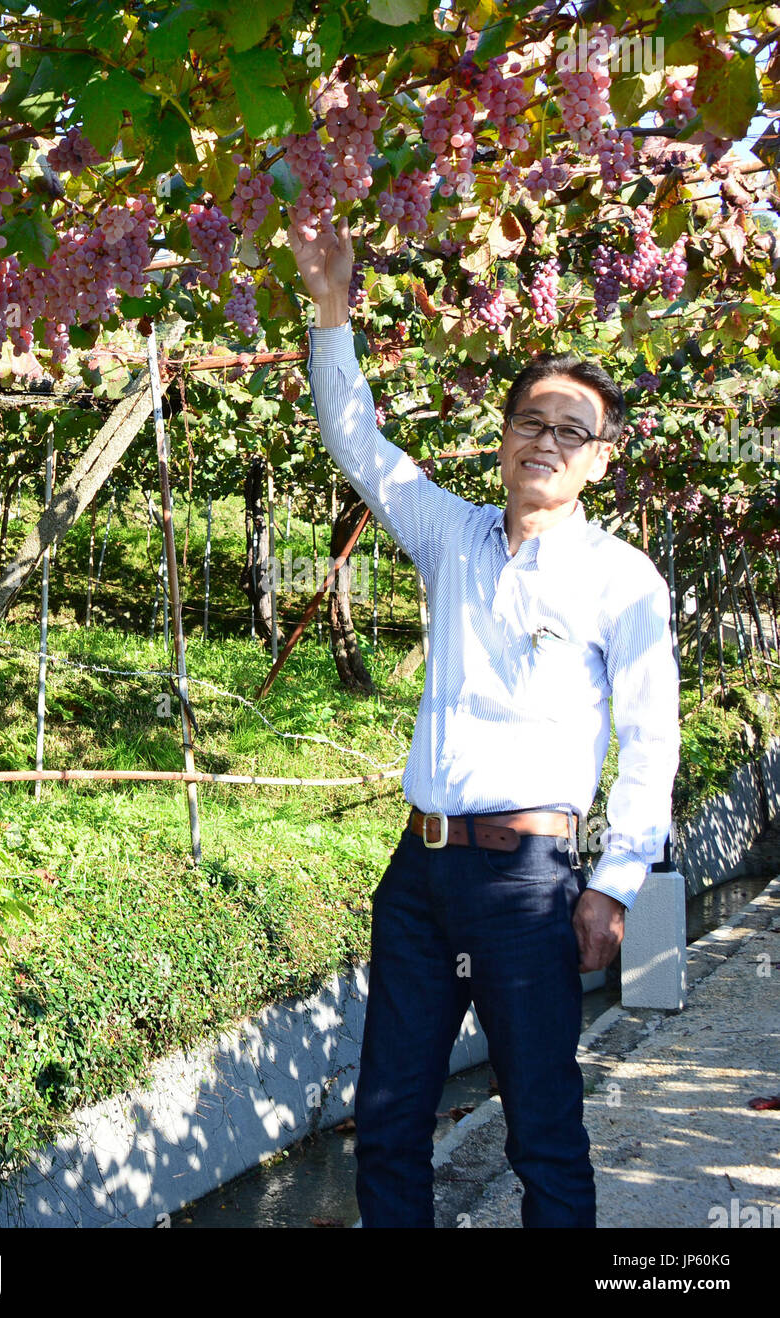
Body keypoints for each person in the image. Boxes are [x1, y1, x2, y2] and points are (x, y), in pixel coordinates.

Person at [288, 214, 681, 1229]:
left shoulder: (618, 578)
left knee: (542, 1130)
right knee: (387, 1120)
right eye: (531, 424)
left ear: (601, 459)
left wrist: (617, 885)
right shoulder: (453, 536)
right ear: (503, 438)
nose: (546, 443)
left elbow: (651, 743)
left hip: (527, 881)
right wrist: (331, 305)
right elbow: (358, 445)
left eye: (571, 432)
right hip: (419, 877)